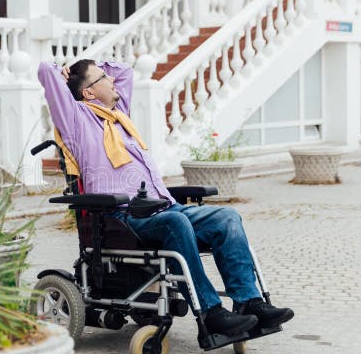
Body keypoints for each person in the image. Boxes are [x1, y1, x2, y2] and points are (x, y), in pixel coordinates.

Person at [37, 58, 294, 337]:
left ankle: (249, 302)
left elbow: (124, 71)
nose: (111, 80)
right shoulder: (77, 121)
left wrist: (97, 66)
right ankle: (210, 312)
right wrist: (63, 70)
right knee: (176, 223)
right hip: (124, 217)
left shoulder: (119, 115)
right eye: (102, 78)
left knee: (227, 217)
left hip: (166, 207)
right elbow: (44, 71)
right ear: (88, 92)